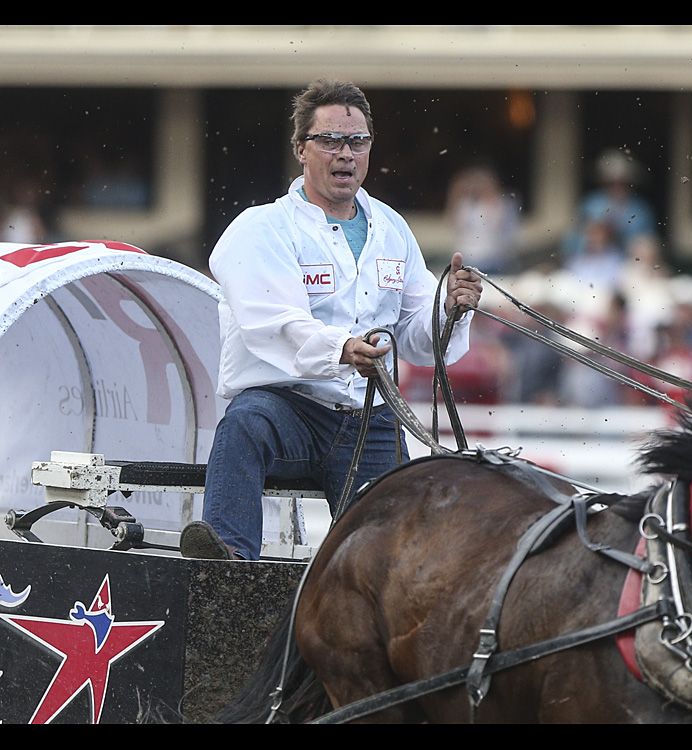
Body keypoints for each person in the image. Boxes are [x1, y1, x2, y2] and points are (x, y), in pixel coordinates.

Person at [179, 79, 483, 561]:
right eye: (330, 141)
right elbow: (271, 320)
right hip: (287, 407)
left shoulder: (392, 228)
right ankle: (228, 566)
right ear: (301, 149)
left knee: (391, 562)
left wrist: (449, 309)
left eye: (357, 141)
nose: (346, 153)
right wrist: (341, 348)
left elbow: (418, 339)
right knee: (245, 425)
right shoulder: (260, 228)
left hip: (370, 415)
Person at [561, 148, 657, 260]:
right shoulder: (591, 203)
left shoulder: (641, 209)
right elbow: (572, 241)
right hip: (589, 261)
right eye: (611, 182)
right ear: (603, 182)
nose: (617, 186)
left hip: (627, 263)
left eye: (622, 182)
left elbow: (647, 243)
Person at [444, 162, 521, 276]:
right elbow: (453, 223)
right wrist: (456, 193)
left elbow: (504, 231)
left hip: (491, 260)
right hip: (468, 258)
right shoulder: (467, 205)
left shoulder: (501, 204)